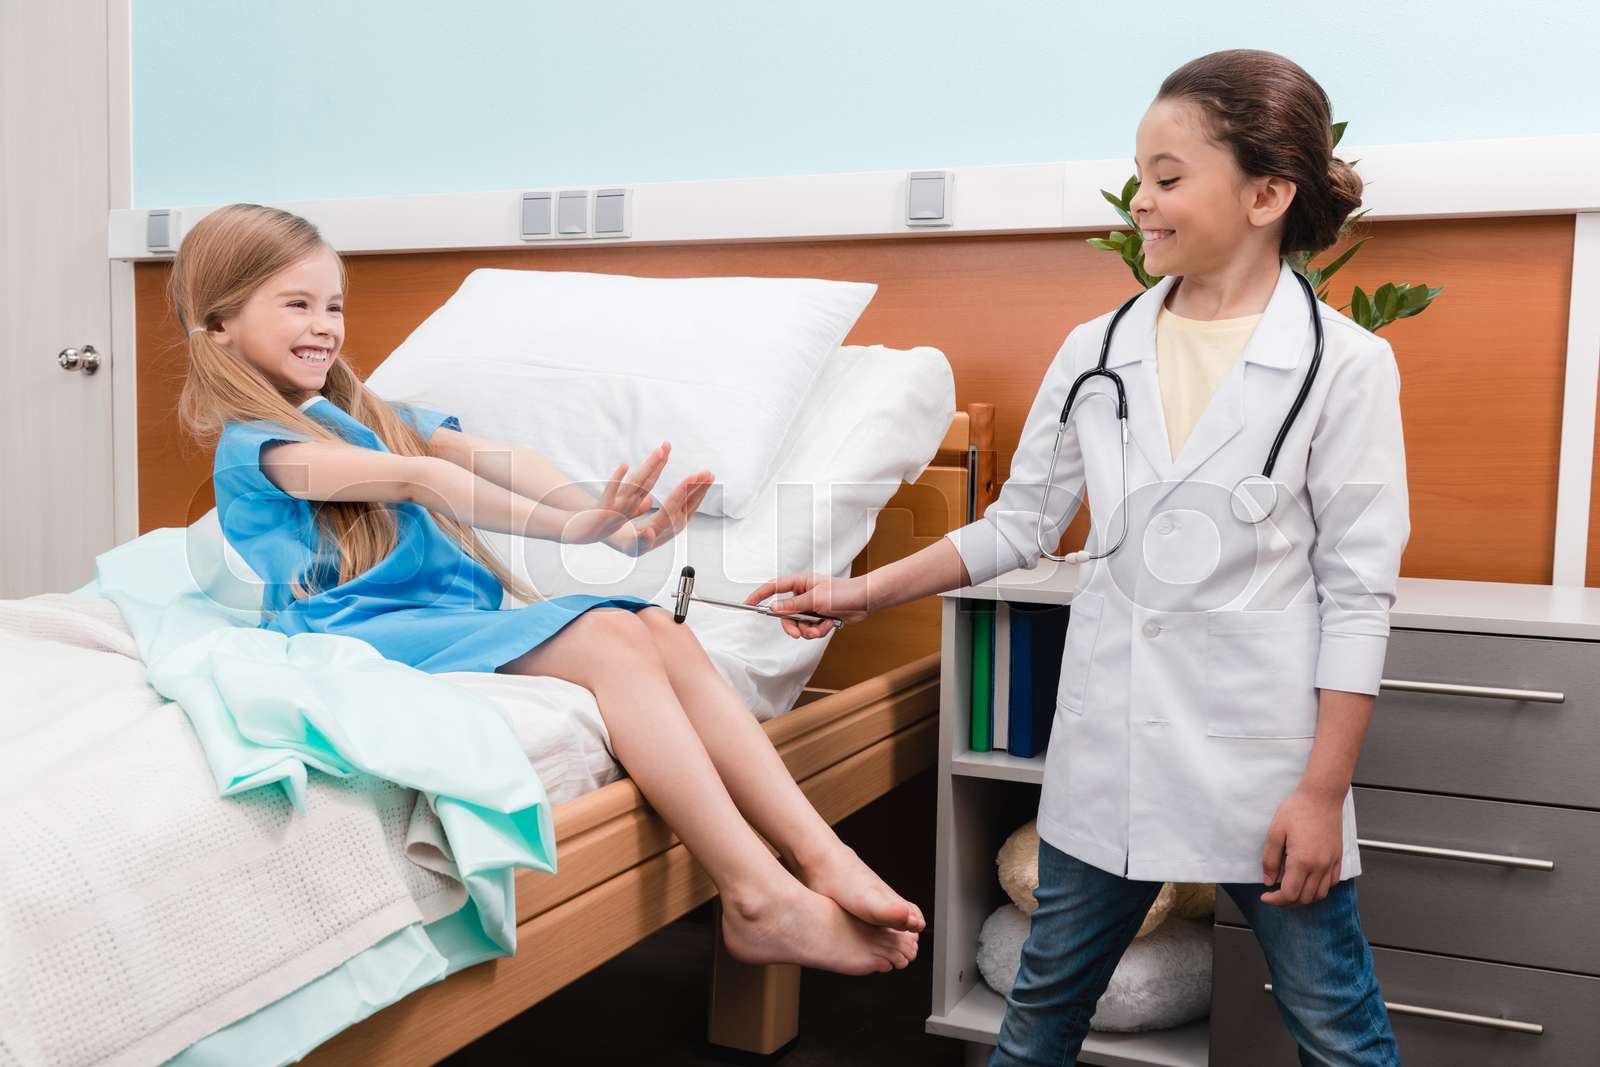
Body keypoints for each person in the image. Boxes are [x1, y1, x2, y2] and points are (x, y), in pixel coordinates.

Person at [750, 50, 1408, 1064]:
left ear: (1268, 193)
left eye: (1167, 176)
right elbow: (1019, 526)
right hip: (1114, 752)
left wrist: (1320, 794)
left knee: (1337, 1028)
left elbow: (1356, 593)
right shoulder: (1095, 349)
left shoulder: (1347, 366)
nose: (1139, 201)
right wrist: (859, 591)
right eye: (1139, 175)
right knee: (1038, 1019)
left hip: (1265, 766)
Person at [171, 202, 923, 976]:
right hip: (348, 628)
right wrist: (567, 534)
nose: (324, 325)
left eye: (333, 305)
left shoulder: (363, 412)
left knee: (656, 628)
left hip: (437, 616)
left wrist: (597, 517)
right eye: (296, 304)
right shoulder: (255, 446)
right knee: (610, 634)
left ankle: (821, 853)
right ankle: (757, 893)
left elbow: (495, 455)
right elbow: (421, 478)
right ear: (220, 323)